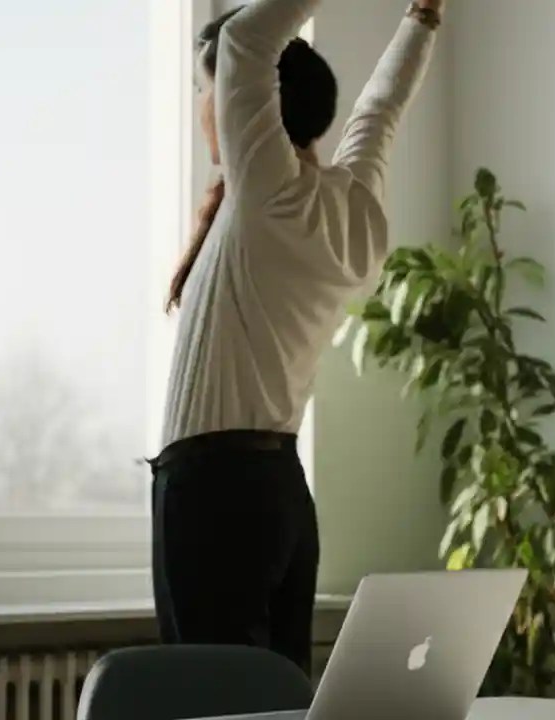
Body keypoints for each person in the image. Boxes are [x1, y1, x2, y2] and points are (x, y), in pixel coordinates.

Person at [150, 0, 444, 676]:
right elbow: (380, 109)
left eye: (209, 87)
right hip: (280, 494)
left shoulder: (269, 195)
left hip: (212, 496)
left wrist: (422, 20)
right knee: (276, 702)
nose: (207, 104)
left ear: (247, 99)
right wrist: (422, 16)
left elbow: (250, 38)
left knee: (209, 704)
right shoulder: (352, 208)